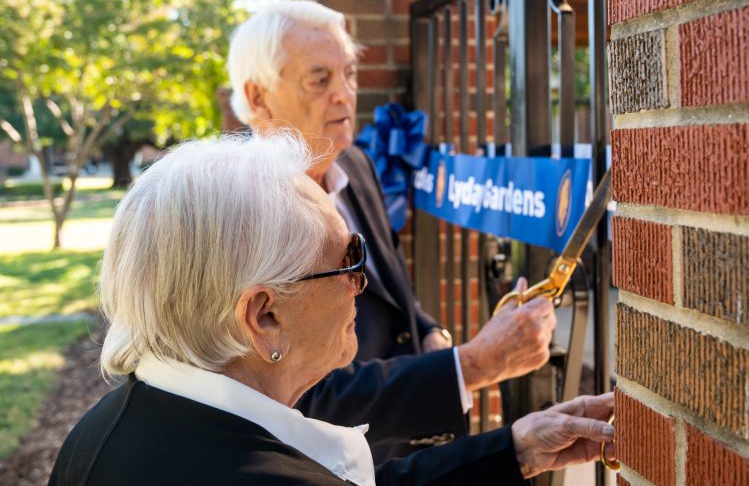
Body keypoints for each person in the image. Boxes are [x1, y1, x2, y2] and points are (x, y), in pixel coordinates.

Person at [49, 134, 616, 485]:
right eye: (347, 260)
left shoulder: (112, 427)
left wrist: (513, 450)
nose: (360, 284)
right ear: (263, 315)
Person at [227, 0, 558, 460]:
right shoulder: (238, 212)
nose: (344, 94)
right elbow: (299, 394)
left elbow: (390, 283)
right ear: (258, 95)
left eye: (350, 75)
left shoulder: (356, 165)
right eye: (320, 79)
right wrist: (474, 365)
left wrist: (428, 331)